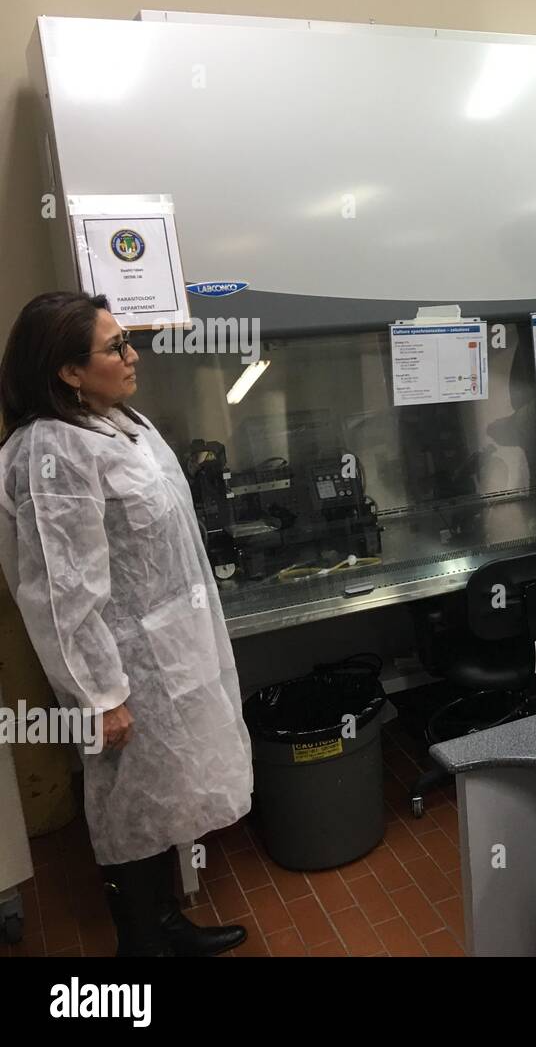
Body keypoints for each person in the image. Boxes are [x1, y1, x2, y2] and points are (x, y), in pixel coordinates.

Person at [0, 291, 253, 956]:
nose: (132, 353)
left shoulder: (119, 421)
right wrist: (100, 695)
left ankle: (164, 924)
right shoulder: (50, 451)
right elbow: (60, 592)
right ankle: (139, 947)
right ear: (67, 371)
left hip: (169, 651)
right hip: (122, 672)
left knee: (161, 801)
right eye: (114, 347)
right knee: (129, 808)